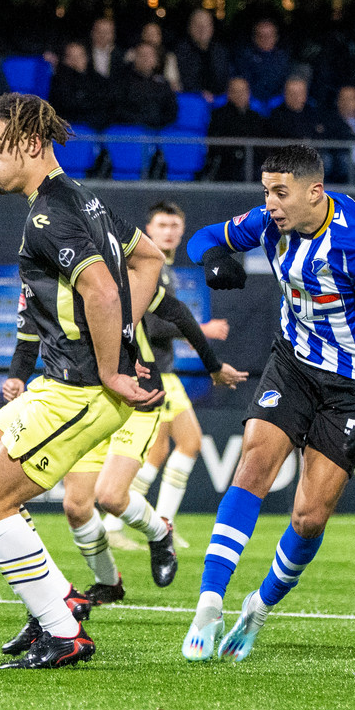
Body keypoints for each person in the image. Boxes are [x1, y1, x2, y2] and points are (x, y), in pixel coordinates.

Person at [0, 93, 166, 668]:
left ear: (31, 144)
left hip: (81, 388)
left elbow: (102, 290)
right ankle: (60, 598)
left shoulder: (49, 215)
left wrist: (111, 366)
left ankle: (65, 633)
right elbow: (149, 261)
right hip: (58, 379)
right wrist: (125, 333)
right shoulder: (83, 199)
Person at [180, 144, 355, 661]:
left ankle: (259, 606)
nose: (270, 204)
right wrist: (214, 259)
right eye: (266, 192)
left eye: (280, 193)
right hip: (293, 362)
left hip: (350, 381)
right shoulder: (270, 223)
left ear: (314, 192)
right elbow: (201, 239)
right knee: (254, 461)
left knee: (308, 518)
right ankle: (208, 604)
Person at [2, 206, 246, 605]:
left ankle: (160, 531)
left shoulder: (114, 277)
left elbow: (176, 312)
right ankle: (108, 582)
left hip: (137, 397)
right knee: (76, 506)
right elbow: (28, 333)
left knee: (112, 496)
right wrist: (17, 375)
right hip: (83, 398)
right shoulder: (44, 286)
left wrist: (213, 366)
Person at [125, 202, 238, 548]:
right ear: (149, 228)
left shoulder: (164, 267)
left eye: (175, 225)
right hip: (152, 371)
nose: (169, 231)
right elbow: (154, 325)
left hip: (159, 370)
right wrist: (201, 329)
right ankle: (143, 523)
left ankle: (150, 524)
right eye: (162, 225)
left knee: (159, 451)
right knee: (187, 443)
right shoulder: (151, 266)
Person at [207, 76, 266, 182]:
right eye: (236, 91)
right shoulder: (218, 116)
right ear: (228, 93)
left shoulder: (256, 117)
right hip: (226, 167)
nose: (240, 95)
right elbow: (215, 146)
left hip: (252, 167)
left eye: (243, 91)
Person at [47, 40, 113, 129]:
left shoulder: (99, 80)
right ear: (65, 60)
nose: (76, 60)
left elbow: (106, 105)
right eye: (72, 57)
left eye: (80, 56)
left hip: (96, 128)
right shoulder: (58, 82)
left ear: (87, 57)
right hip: (70, 127)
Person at [114, 41, 178, 128]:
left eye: (149, 55)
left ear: (156, 60)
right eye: (142, 55)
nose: (145, 59)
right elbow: (118, 109)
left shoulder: (163, 83)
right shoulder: (122, 82)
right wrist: (141, 122)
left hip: (158, 129)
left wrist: (156, 123)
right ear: (135, 58)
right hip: (131, 129)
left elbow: (171, 111)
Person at [174, 8, 232, 100]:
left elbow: (228, 76)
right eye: (198, 26)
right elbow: (183, 81)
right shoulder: (180, 52)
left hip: (221, 98)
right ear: (190, 28)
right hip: (193, 99)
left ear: (212, 28)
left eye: (206, 25)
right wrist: (199, 93)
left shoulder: (220, 51)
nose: (202, 29)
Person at [234, 18, 291, 102]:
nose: (265, 39)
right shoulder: (245, 56)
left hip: (279, 101)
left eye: (269, 35)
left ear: (276, 37)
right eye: (261, 36)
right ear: (254, 38)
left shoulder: (284, 57)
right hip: (250, 102)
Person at [265, 74, 325, 141]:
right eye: (293, 94)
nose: (297, 98)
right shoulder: (276, 116)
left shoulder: (314, 114)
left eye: (301, 93)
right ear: (285, 95)